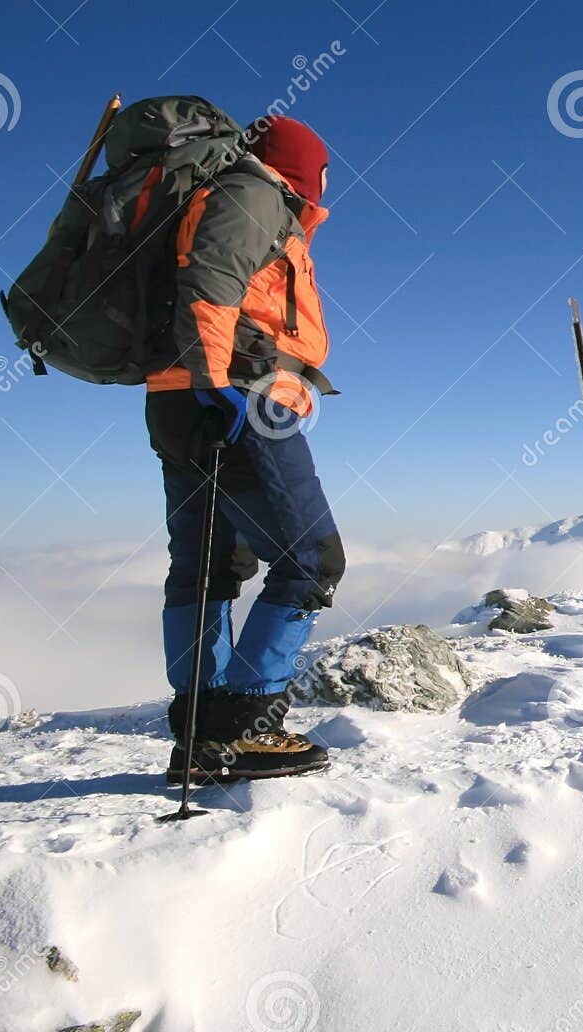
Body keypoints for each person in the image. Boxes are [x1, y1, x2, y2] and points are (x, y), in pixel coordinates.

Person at [143, 116, 342, 783]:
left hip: (178, 402)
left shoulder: (223, 195)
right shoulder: (253, 194)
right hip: (237, 398)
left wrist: (202, 389)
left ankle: (201, 732)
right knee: (311, 560)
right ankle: (246, 730)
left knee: (206, 566)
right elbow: (211, 281)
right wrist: (219, 390)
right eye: (322, 174)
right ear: (303, 168)